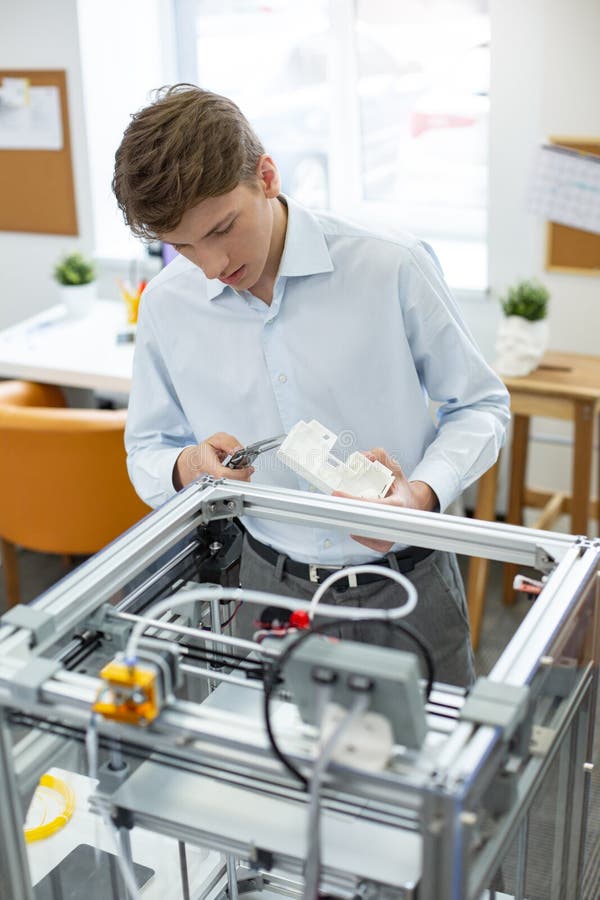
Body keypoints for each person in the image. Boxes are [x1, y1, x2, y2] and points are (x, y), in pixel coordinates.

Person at [113, 84, 510, 687]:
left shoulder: (389, 264)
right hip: (267, 587)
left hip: (408, 579)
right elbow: (145, 448)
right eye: (183, 246)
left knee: (442, 773)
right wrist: (187, 466)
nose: (212, 265)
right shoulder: (168, 305)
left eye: (222, 228)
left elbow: (480, 406)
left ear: (266, 176)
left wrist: (420, 497)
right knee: (278, 775)